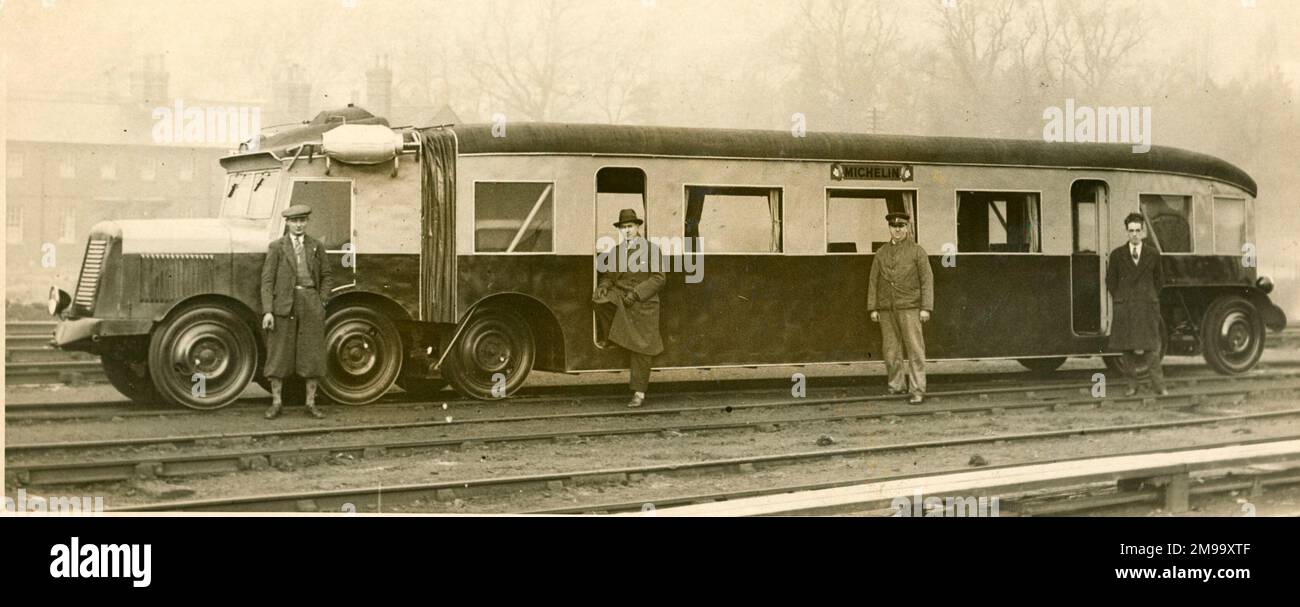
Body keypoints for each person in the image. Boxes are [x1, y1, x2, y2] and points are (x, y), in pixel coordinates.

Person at [261, 204, 334, 419]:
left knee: (312, 355)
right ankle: (276, 403)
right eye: (295, 221)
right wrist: (268, 311)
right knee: (279, 353)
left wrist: (320, 301)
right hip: (283, 305)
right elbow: (267, 281)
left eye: (302, 220)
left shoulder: (316, 246)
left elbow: (327, 276)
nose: (299, 225)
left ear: (307, 222)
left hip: (310, 303)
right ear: (288, 223)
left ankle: (310, 403)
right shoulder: (277, 247)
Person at [594, 209, 665, 408]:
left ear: (637, 227)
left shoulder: (651, 249)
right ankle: (616, 337)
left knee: (642, 347)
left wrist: (636, 294)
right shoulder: (616, 251)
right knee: (600, 301)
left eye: (630, 227)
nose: (627, 231)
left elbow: (659, 278)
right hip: (620, 297)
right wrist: (603, 286)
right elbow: (608, 276)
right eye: (623, 227)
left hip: (644, 303)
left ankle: (639, 394)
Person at [867, 211, 933, 404]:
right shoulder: (881, 253)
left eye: (902, 226)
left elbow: (927, 281)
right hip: (887, 308)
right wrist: (873, 307)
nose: (898, 230)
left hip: (910, 307)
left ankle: (917, 389)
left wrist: (925, 308)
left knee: (915, 349)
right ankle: (896, 385)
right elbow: (873, 281)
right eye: (894, 227)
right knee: (890, 350)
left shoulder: (917, 252)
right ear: (889, 228)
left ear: (907, 228)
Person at [1106, 212, 1167, 396]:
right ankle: (1132, 386)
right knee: (1127, 350)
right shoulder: (1117, 255)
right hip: (1125, 307)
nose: (1134, 234)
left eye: (1137, 230)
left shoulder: (1153, 254)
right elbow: (1110, 281)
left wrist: (1148, 297)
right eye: (1131, 230)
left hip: (1147, 306)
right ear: (1126, 231)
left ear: (1142, 231)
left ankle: (1159, 386)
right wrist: (1121, 298)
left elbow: (1160, 281)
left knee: (1151, 348)